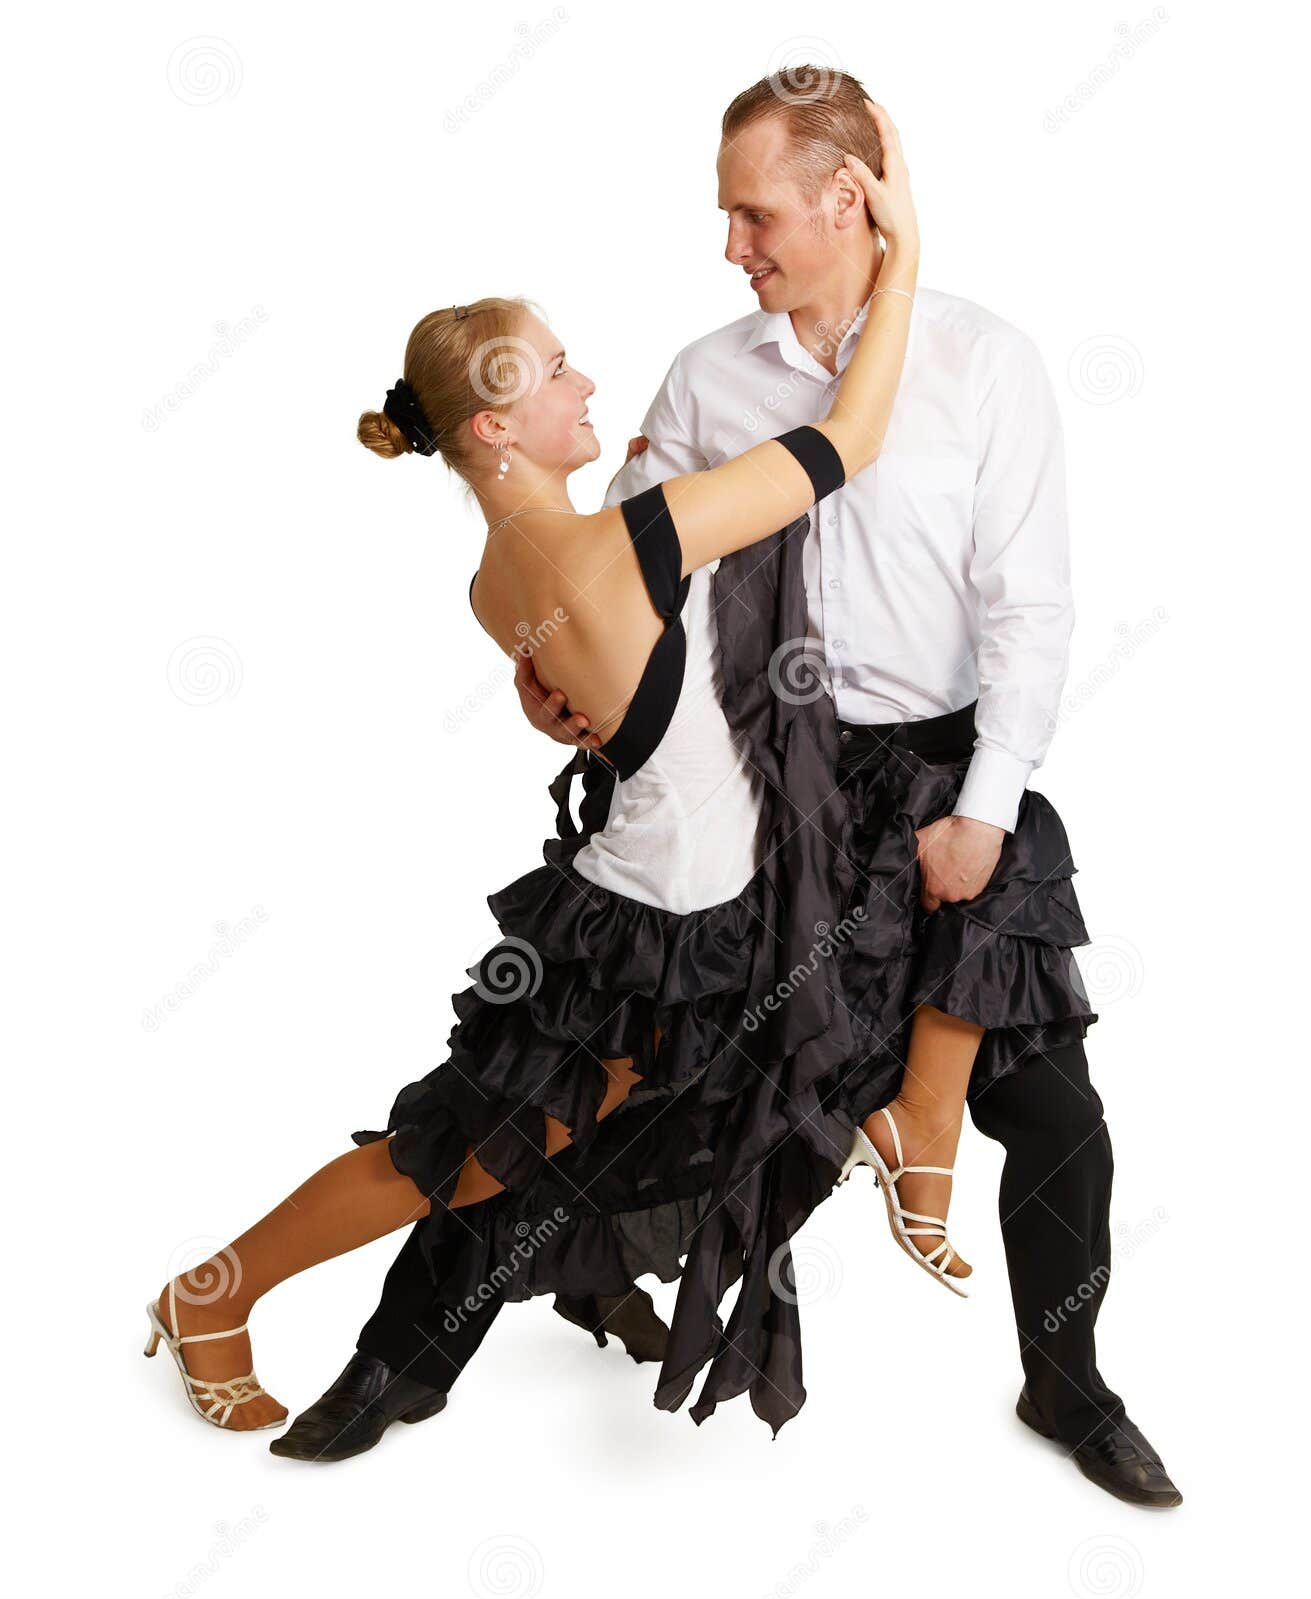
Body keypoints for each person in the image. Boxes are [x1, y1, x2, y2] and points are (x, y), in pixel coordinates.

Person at [307, 70, 1181, 1508]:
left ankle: (1068, 1383)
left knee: (1056, 1108)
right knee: (597, 1085)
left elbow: (1034, 606)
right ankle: (404, 1353)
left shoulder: (988, 362)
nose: (731, 244)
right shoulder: (711, 375)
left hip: (953, 780)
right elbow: (609, 568)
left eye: (753, 211)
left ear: (851, 198)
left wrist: (988, 798)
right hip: (765, 797)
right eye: (728, 212)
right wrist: (549, 679)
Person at [147, 103, 937, 1444]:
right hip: (648, 929)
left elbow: (583, 657)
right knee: (447, 1155)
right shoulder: (627, 540)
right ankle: (209, 1289)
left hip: (669, 909)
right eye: (559, 369)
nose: (588, 382)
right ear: (500, 420)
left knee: (597, 1131)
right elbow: (846, 448)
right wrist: (902, 262)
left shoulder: (503, 570)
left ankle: (593, 1281)